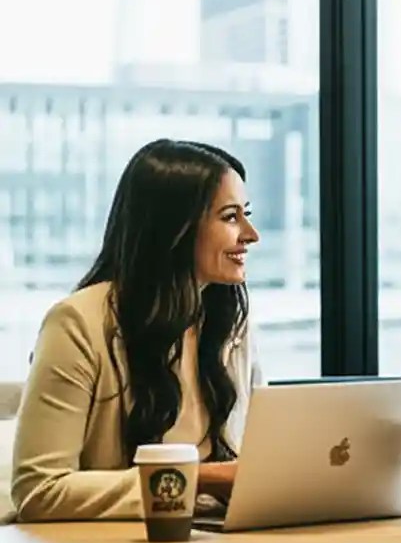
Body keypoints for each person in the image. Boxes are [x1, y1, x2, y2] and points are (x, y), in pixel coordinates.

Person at [10, 139, 263, 522]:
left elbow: (252, 461)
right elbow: (39, 491)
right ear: (175, 228)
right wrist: (199, 478)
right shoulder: (77, 324)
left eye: (245, 214)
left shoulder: (231, 323)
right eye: (230, 217)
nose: (251, 234)